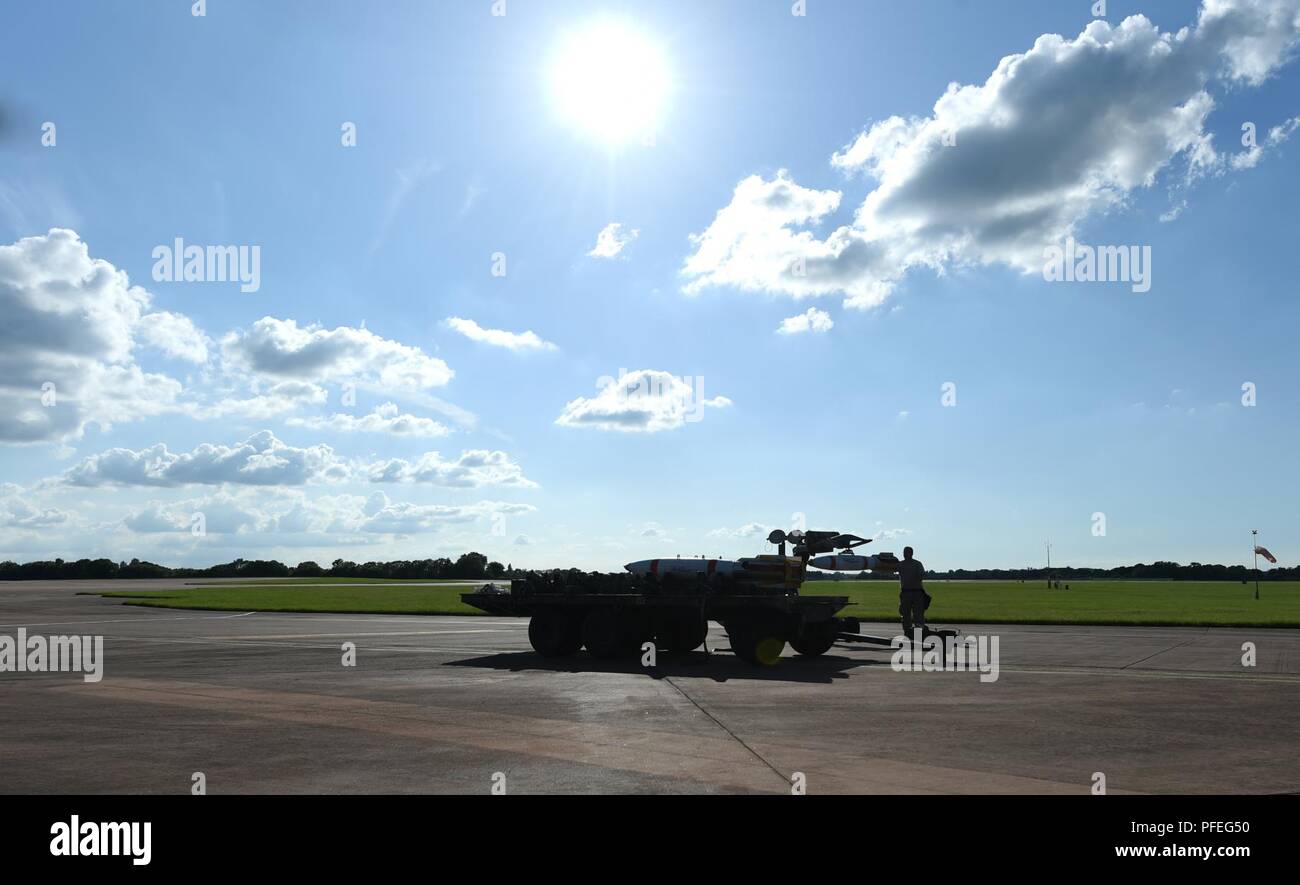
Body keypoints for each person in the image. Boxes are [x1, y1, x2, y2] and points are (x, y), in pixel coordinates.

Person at [896, 546, 928, 635]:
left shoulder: (917, 564)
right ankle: (907, 632)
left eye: (907, 552)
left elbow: (921, 576)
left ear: (911, 553)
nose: (905, 554)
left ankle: (919, 633)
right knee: (905, 614)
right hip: (905, 592)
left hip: (917, 592)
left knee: (918, 614)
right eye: (904, 552)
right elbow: (889, 569)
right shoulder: (900, 564)